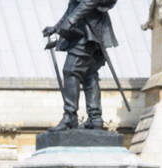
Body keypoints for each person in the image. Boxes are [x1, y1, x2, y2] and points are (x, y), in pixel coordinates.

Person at [43, 0, 119, 131]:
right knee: (89, 75)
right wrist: (56, 27)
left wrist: (71, 20)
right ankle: (95, 118)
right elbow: (73, 6)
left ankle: (70, 116)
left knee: (71, 70)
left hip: (88, 30)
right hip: (83, 30)